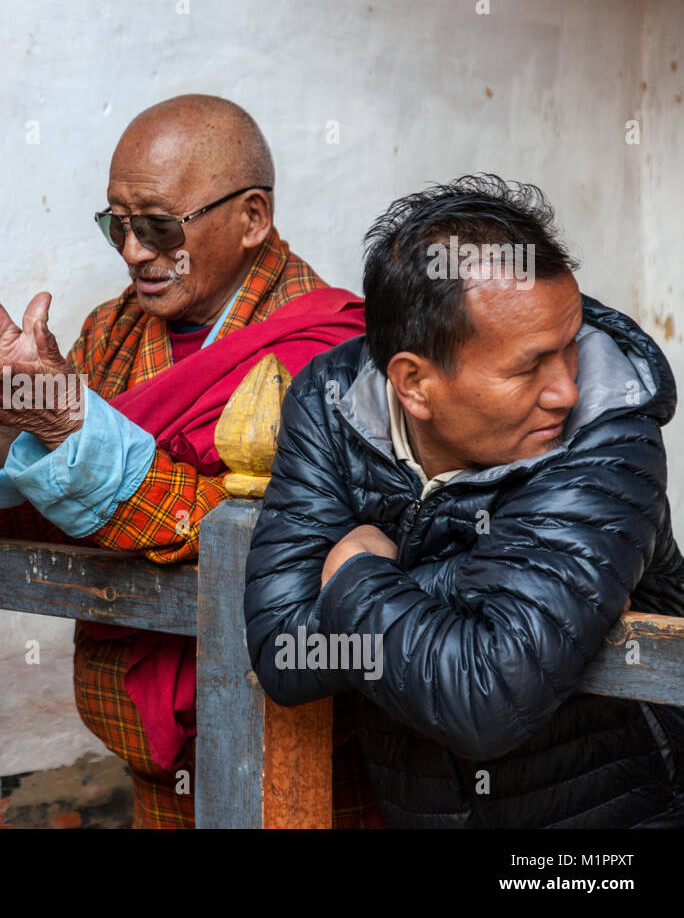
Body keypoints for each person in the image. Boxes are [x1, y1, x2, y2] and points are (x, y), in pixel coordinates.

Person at [0, 94, 367, 827]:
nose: (134, 252)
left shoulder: (328, 346)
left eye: (159, 226)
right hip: (146, 757)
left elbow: (253, 542)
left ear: (252, 217)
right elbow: (42, 521)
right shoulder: (111, 332)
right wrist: (8, 425)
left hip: (305, 754)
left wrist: (72, 425)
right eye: (117, 226)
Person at [244, 174, 684, 827]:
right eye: (531, 366)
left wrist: (360, 574)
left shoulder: (608, 429)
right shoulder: (333, 402)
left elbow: (489, 696)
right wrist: (475, 589)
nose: (565, 388)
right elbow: (284, 648)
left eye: (571, 347)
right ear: (414, 384)